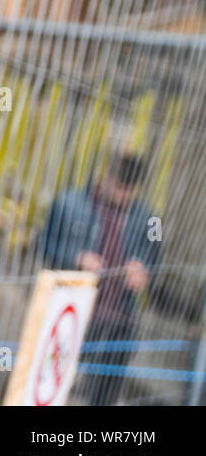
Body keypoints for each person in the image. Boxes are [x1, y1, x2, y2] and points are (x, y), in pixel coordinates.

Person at [39, 153, 158, 405]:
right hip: (75, 310)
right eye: (119, 187)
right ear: (106, 177)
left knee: (105, 392)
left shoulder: (148, 218)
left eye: (130, 191)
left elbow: (155, 255)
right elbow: (42, 244)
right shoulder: (68, 203)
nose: (124, 195)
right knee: (56, 380)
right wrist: (77, 258)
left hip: (120, 318)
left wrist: (142, 270)